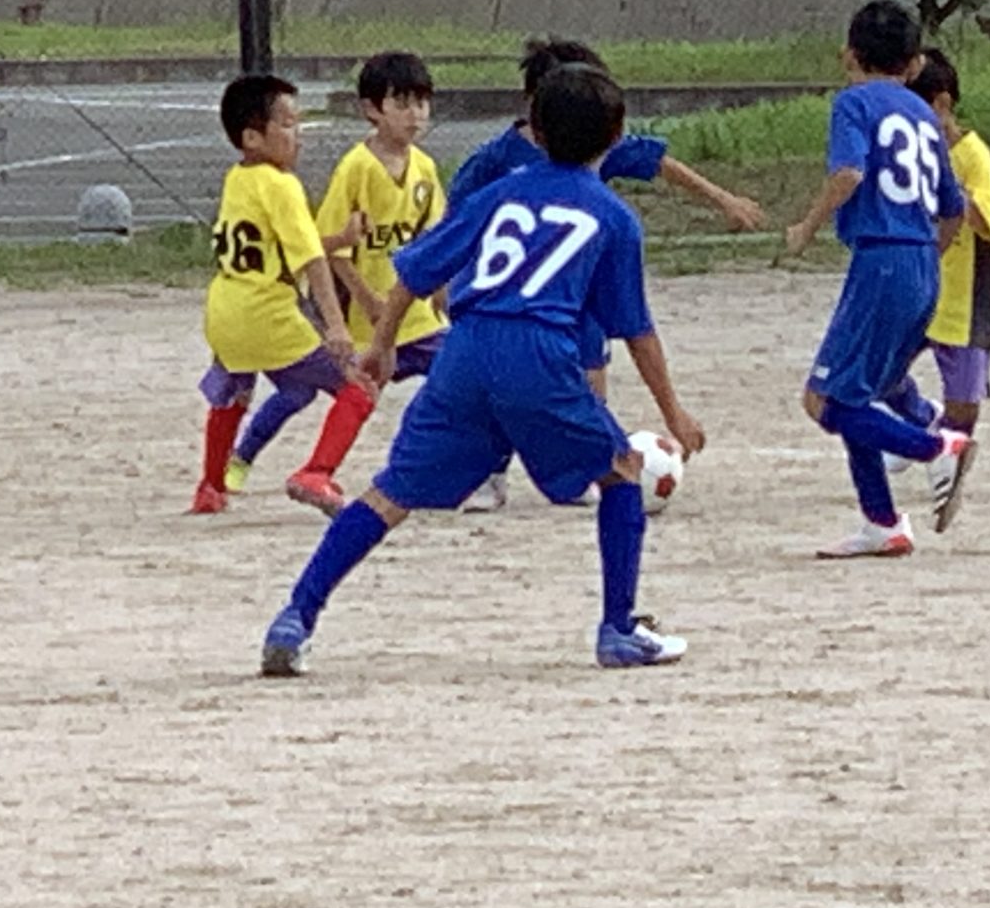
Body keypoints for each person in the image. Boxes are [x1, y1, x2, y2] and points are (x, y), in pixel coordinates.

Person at [259, 62, 707, 677]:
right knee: (622, 469)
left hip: (464, 350)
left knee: (390, 493)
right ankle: (618, 629)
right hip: (540, 356)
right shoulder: (612, 217)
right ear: (617, 133)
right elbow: (636, 331)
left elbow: (413, 274)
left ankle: (295, 618)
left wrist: (382, 345)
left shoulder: (503, 191)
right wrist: (673, 411)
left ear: (537, 132)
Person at [451, 36, 763, 513]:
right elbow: (455, 221)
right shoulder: (496, 162)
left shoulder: (592, 142)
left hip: (581, 290)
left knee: (589, 382)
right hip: (518, 297)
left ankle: (582, 468)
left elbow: (660, 163)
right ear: (537, 105)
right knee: (506, 389)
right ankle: (489, 472)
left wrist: (724, 200)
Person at [782, 0, 973, 558]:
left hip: (880, 261)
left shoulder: (854, 103)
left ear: (848, 54)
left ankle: (935, 446)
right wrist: (926, 256)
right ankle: (881, 521)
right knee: (858, 393)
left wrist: (807, 227)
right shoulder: (922, 115)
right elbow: (953, 208)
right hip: (921, 262)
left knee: (824, 401)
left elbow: (848, 170)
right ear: (914, 65)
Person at [188, 74, 368, 516]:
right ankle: (317, 472)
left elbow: (281, 248)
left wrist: (337, 237)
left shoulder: (238, 179)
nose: (298, 136)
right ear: (252, 137)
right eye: (287, 125)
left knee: (236, 393)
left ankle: (211, 486)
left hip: (226, 313)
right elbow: (309, 263)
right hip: (270, 315)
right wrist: (337, 326)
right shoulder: (283, 184)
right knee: (359, 388)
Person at [284, 51, 447, 516]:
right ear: (372, 110)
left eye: (422, 104)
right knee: (361, 392)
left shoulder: (425, 169)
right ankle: (316, 472)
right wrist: (368, 299)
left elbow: (432, 237)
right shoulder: (356, 167)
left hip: (418, 315)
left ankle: (453, 473)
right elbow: (329, 247)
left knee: (459, 379)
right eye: (402, 103)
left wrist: (440, 289)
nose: (415, 115)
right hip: (372, 318)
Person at [883, 47, 990, 525]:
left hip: (966, 292)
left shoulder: (972, 154)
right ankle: (920, 424)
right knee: (881, 374)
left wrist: (958, 194)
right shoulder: (906, 151)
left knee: (965, 407)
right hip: (916, 284)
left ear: (943, 104)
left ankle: (946, 460)